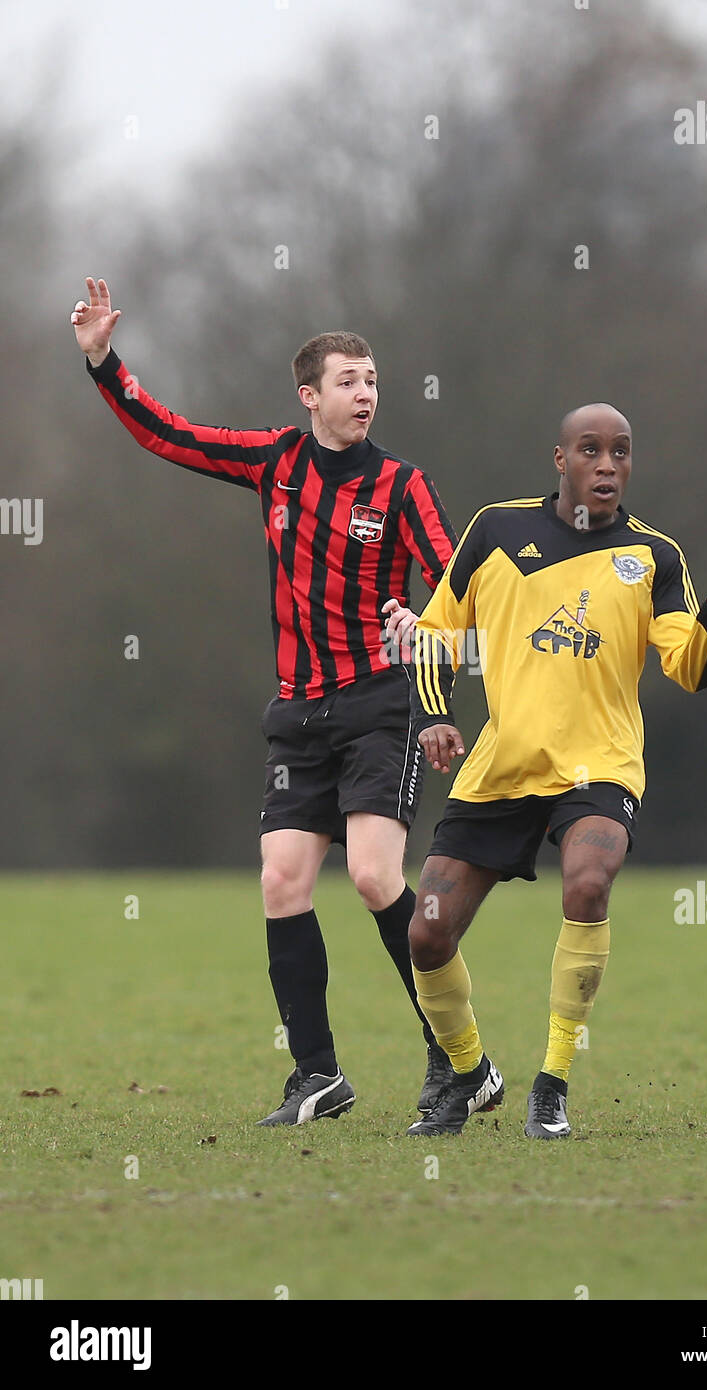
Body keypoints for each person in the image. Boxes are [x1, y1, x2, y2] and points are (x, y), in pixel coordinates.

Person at [70, 276, 458, 1126]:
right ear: (309, 395)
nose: (366, 395)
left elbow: (460, 587)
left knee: (370, 875)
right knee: (282, 883)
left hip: (379, 707)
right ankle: (316, 1075)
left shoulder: (401, 485)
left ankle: (453, 1058)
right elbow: (168, 435)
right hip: (299, 714)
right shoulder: (274, 462)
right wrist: (105, 362)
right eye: (349, 382)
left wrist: (426, 640)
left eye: (373, 381)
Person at [403, 402, 707, 1137]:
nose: (607, 465)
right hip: (504, 764)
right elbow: (437, 630)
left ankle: (552, 1084)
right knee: (427, 932)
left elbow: (688, 666)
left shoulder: (655, 556)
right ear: (559, 460)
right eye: (590, 450)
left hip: (600, 763)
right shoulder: (495, 529)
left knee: (590, 882)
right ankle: (470, 1073)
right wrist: (436, 713)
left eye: (621, 452)